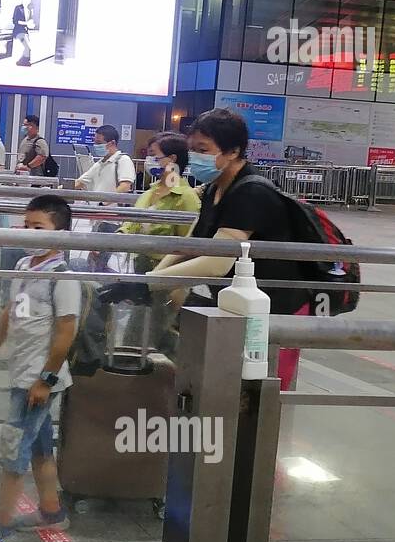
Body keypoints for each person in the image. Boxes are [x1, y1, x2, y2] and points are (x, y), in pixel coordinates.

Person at [120, 109, 308, 389]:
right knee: (226, 389)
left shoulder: (252, 192)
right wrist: (149, 284)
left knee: (257, 394)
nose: (195, 156)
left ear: (232, 151)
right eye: (192, 149)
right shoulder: (214, 189)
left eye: (203, 149)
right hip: (237, 304)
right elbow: (191, 244)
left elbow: (217, 261)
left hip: (273, 309)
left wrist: (148, 285)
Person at [0, 194, 78, 536]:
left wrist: (45, 379)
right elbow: (8, 312)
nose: (29, 233)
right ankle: (52, 512)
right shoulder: (25, 267)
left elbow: (65, 331)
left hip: (37, 380)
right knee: (40, 448)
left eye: (38, 227)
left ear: (61, 234)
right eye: (26, 226)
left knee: (12, 450)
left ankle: (0, 522)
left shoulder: (63, 276)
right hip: (21, 372)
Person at [118, 132, 201, 269]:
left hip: (165, 272)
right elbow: (132, 223)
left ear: (172, 159)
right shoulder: (150, 192)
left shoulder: (186, 196)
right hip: (140, 265)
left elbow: (188, 245)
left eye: (154, 155)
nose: (149, 160)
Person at [75, 125, 136, 197]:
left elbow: (125, 186)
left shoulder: (123, 160)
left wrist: (104, 203)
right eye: (95, 142)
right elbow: (80, 182)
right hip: (96, 206)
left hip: (110, 207)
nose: (95, 146)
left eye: (99, 143)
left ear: (112, 143)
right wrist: (60, 189)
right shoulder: (99, 164)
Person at [12, 0, 35, 67]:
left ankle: (25, 62)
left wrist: (31, 25)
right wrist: (26, 23)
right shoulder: (18, 8)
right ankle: (20, 62)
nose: (27, 0)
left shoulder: (30, 10)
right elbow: (15, 21)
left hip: (26, 31)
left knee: (29, 48)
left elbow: (30, 21)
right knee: (27, 47)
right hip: (19, 31)